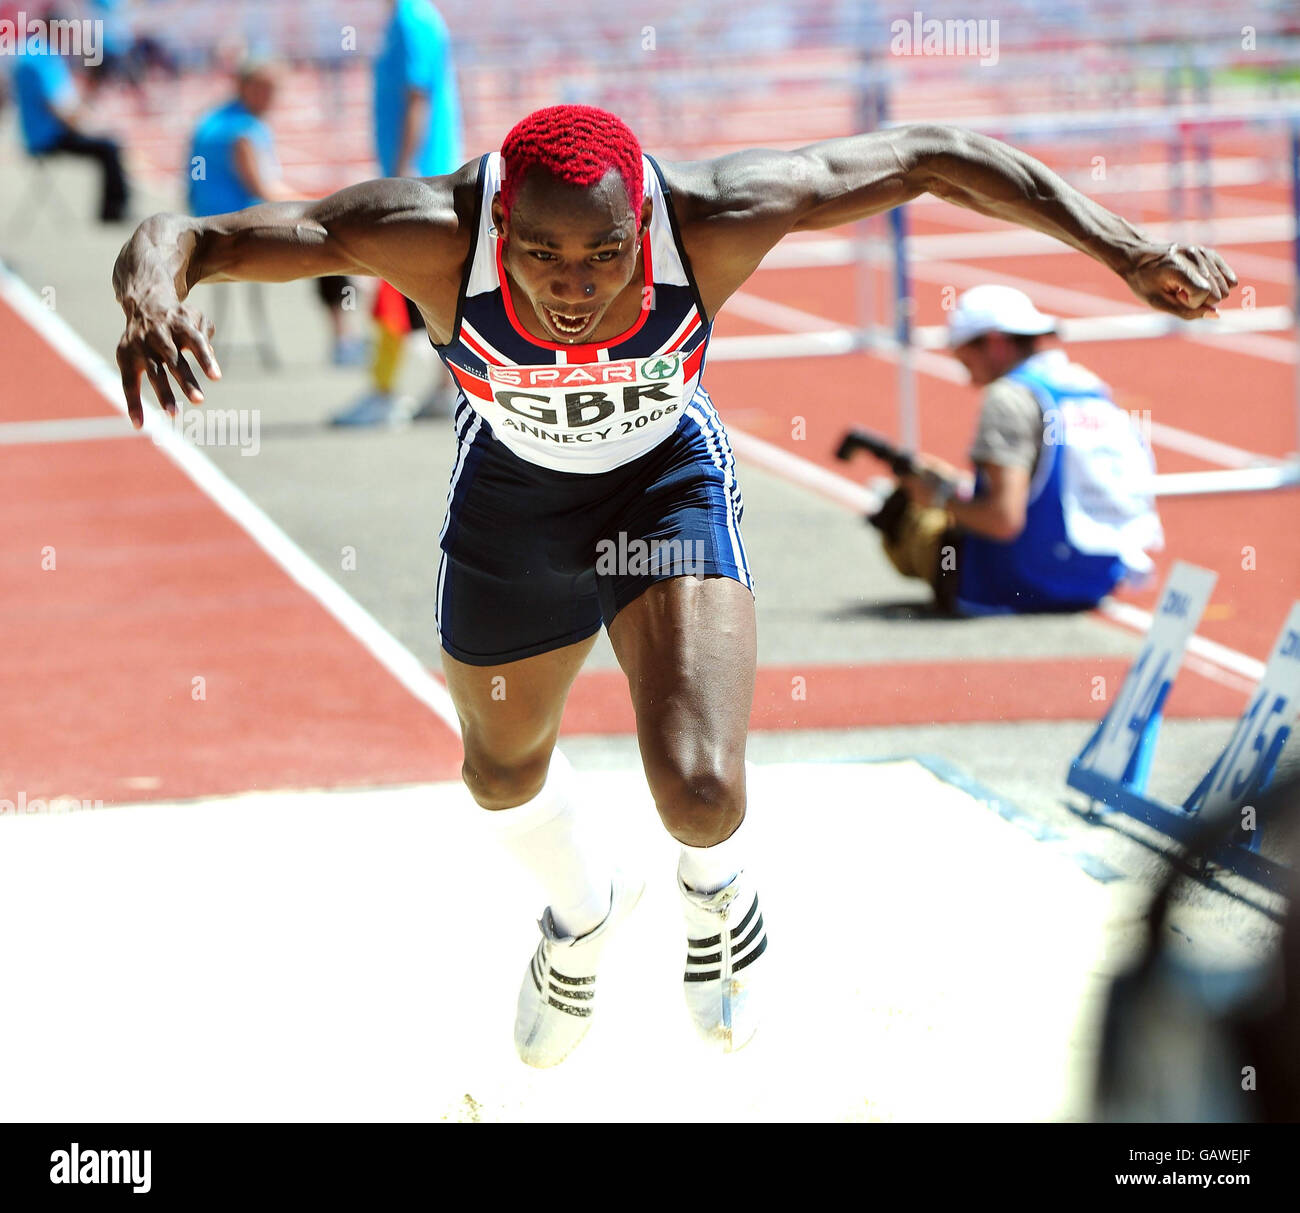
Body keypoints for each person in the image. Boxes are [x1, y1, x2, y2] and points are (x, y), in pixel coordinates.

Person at [111, 107, 1236, 1066]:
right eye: (543, 256)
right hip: (514, 502)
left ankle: (717, 895)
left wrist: (1122, 246)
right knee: (498, 774)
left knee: (699, 788)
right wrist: (151, 294)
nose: (572, 287)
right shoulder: (424, 234)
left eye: (604, 255)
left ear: (643, 223)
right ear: (497, 228)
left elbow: (934, 153)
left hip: (664, 486)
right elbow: (189, 235)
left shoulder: (715, 214)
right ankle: (582, 915)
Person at [863, 284, 1164, 615]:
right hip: (1097, 579)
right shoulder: (1089, 388)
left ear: (994, 343)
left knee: (913, 520)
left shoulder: (1008, 397)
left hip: (1022, 582)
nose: (969, 380)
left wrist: (937, 496)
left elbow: (1003, 520)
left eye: (966, 363)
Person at [331, 0, 462, 425]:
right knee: (423, 289)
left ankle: (386, 392)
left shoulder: (412, 19)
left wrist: (404, 172)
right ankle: (445, 390)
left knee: (393, 285)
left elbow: (418, 96)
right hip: (417, 174)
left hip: (419, 178)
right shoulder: (408, 18)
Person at [188, 57, 363, 366]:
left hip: (211, 228)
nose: (271, 97)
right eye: (265, 89)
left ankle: (348, 333)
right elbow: (263, 189)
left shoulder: (213, 120)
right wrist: (320, 205)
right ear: (245, 87)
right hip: (237, 234)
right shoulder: (241, 130)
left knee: (324, 231)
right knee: (332, 240)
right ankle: (344, 340)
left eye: (274, 90)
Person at [11, 18, 130, 222]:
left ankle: (112, 210)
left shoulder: (32, 53)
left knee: (107, 143)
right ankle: (112, 212)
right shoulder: (42, 58)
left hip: (37, 133)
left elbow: (62, 104)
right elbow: (58, 109)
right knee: (109, 146)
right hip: (49, 136)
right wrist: (87, 126)